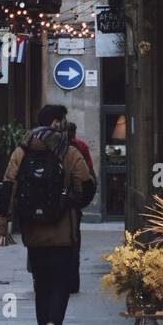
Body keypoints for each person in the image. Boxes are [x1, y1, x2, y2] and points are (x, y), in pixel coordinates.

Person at [0, 103, 95, 325]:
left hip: (34, 233)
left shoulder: (22, 150)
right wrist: (73, 203)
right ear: (57, 123)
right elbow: (86, 186)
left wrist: (0, 225)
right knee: (60, 283)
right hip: (63, 231)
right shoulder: (68, 151)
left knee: (42, 285)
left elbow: (7, 187)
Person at [67, 122, 97, 295]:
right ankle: (73, 282)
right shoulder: (81, 146)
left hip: (58, 203)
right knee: (74, 242)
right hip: (75, 203)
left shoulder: (57, 148)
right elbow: (89, 173)